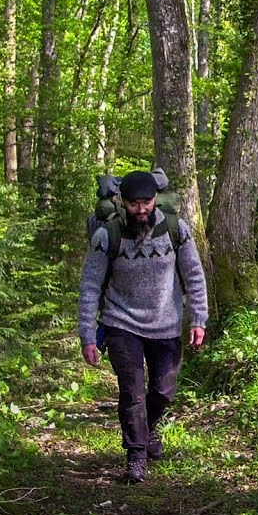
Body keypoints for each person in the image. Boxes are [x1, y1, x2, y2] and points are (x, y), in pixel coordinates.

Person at [77, 169, 208, 483]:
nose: (141, 210)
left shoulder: (177, 230)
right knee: (133, 393)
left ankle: (147, 430)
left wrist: (199, 318)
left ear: (155, 201)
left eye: (146, 202)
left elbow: (194, 275)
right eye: (134, 203)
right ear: (123, 202)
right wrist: (87, 334)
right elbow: (90, 286)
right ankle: (136, 455)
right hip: (122, 323)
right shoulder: (106, 236)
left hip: (167, 324)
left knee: (163, 392)